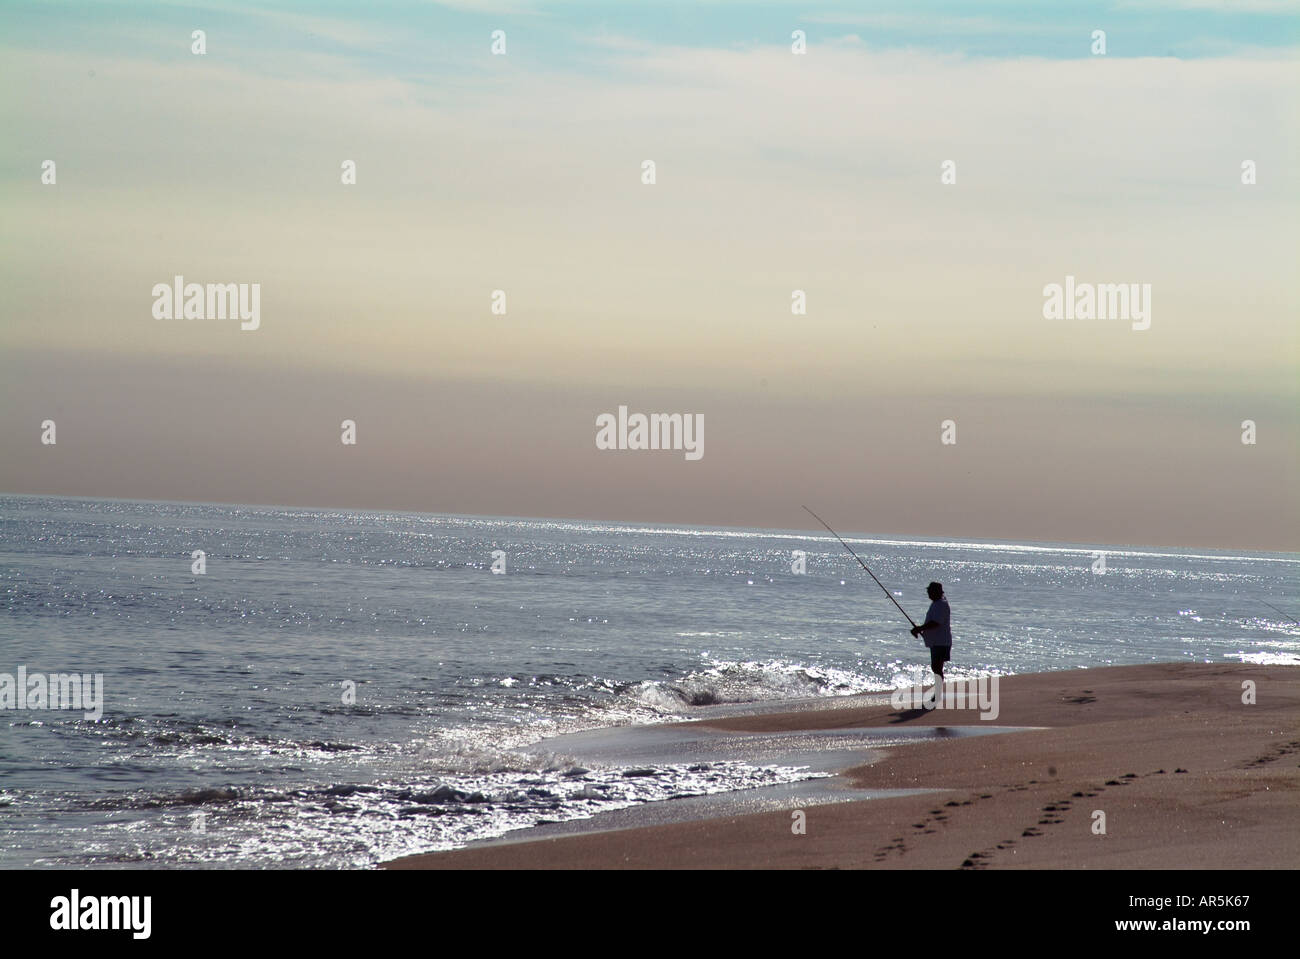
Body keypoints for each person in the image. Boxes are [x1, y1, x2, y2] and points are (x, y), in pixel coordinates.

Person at [910, 582, 952, 687]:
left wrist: (920, 628)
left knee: (937, 668)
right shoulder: (936, 603)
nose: (928, 593)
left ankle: (938, 692)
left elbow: (936, 622)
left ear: (937, 592)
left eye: (930, 591)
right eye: (928, 591)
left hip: (941, 642)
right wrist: (921, 630)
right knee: (936, 668)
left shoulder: (941, 604)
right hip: (937, 642)